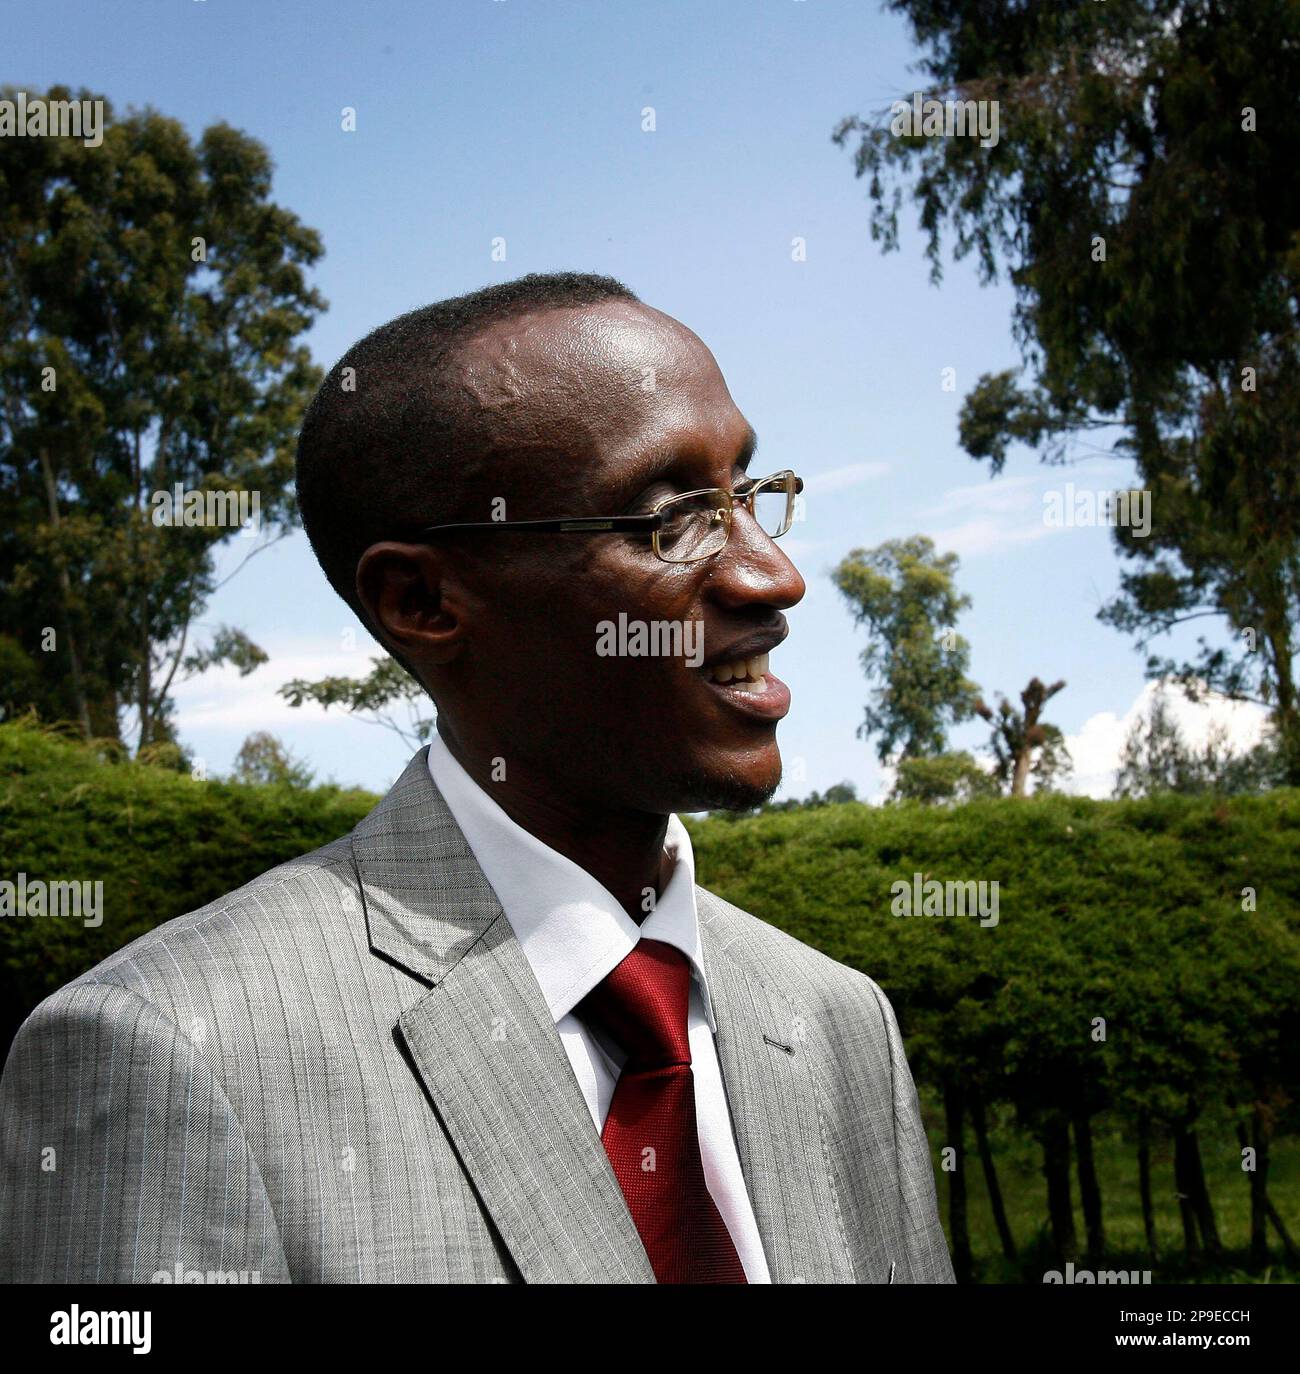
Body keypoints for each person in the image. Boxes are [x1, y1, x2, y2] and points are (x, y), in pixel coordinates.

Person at [0, 272, 954, 1284]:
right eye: (670, 517)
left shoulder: (837, 1020)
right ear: (421, 600)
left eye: (749, 494)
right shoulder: (171, 1049)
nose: (773, 576)